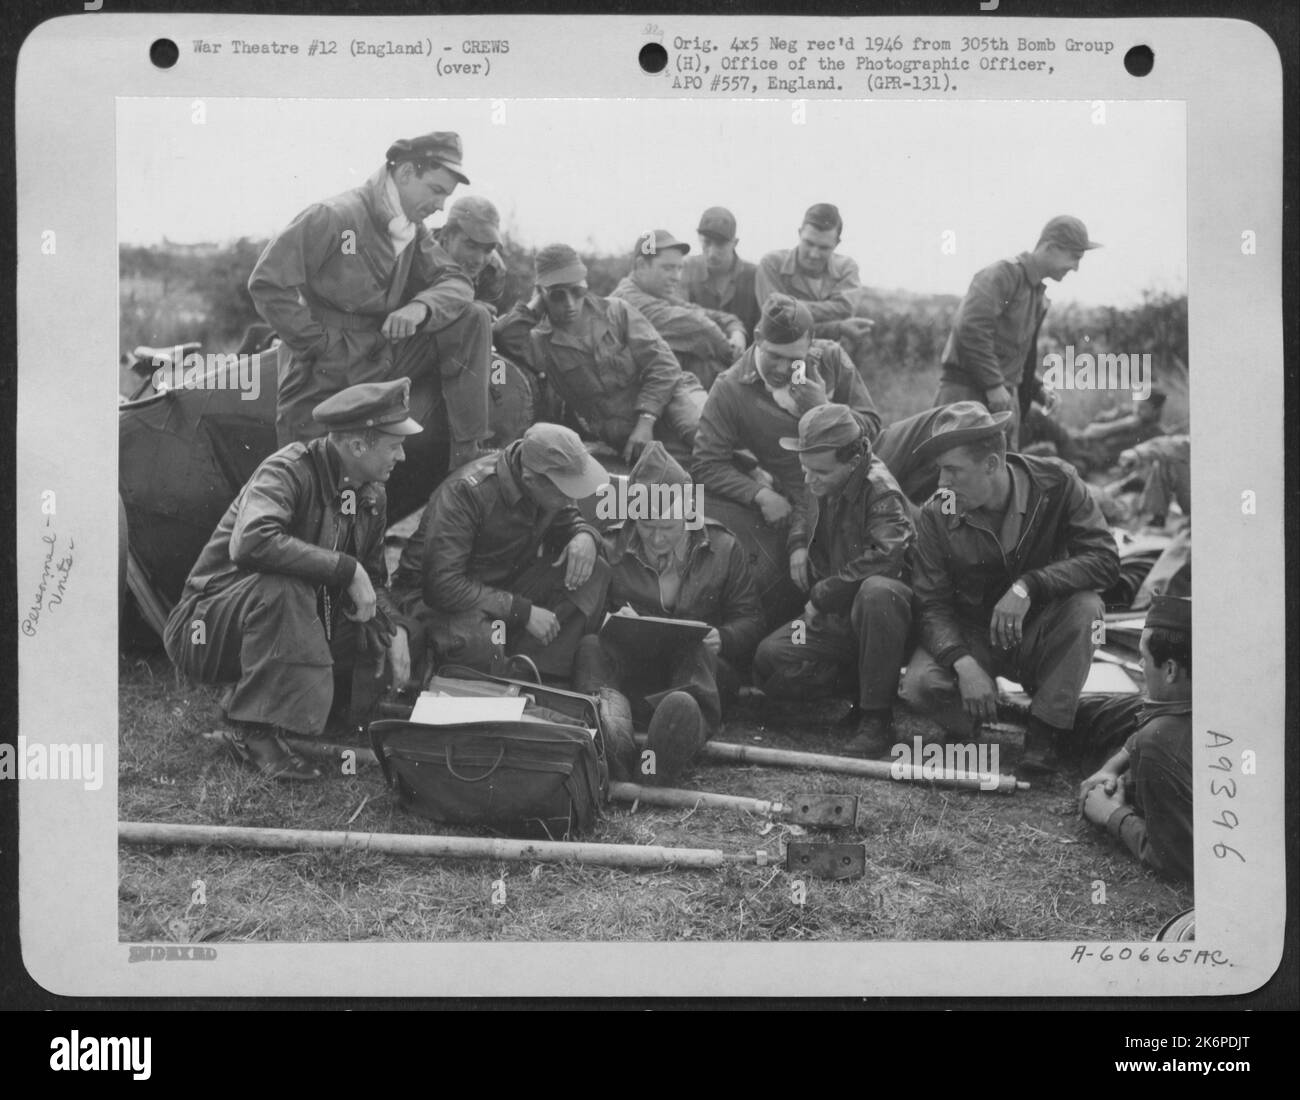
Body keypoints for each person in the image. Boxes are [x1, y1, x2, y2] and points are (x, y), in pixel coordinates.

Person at [163, 380, 422, 781]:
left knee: (391, 630)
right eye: (394, 446)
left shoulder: (372, 494)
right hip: (208, 626)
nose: (402, 457)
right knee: (283, 590)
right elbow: (252, 541)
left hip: (289, 620)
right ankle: (250, 728)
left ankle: (322, 710)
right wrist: (345, 568)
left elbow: (372, 580)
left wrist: (394, 626)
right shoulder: (288, 469)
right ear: (357, 446)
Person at [248, 131, 493, 511]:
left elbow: (457, 282)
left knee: (473, 317)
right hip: (327, 364)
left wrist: (421, 308)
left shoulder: (411, 230)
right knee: (314, 487)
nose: (440, 206)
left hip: (381, 353)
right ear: (408, 172)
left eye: (446, 196)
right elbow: (267, 283)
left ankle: (466, 453)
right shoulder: (335, 216)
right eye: (436, 190)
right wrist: (318, 345)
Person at [899, 402, 1120, 775]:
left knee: (1086, 608)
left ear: (991, 464)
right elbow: (931, 602)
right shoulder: (939, 511)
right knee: (919, 686)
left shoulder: (1057, 483)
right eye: (940, 471)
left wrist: (1030, 584)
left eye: (952, 471)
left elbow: (1105, 559)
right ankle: (973, 714)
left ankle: (1044, 731)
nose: (942, 484)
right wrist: (963, 664)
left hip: (1037, 632)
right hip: (972, 636)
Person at [572, 443, 763, 784]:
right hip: (632, 671)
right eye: (646, 526)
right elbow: (589, 615)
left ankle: (665, 752)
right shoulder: (612, 543)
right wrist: (613, 620)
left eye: (668, 528)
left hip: (696, 675)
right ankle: (613, 742)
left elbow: (751, 619)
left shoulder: (723, 547)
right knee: (590, 646)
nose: (657, 539)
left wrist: (726, 637)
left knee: (697, 653)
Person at [692, 292, 882, 622]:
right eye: (774, 356)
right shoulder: (731, 387)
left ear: (810, 344)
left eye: (794, 359)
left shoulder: (832, 358)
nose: (782, 368)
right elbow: (707, 462)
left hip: (862, 474)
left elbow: (873, 425)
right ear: (757, 338)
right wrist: (759, 493)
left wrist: (823, 406)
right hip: (804, 492)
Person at [389, 423, 612, 682]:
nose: (569, 499)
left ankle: (536, 675)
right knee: (482, 640)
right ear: (530, 480)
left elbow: (566, 517)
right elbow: (442, 586)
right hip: (433, 599)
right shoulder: (466, 492)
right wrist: (522, 611)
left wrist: (585, 534)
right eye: (564, 493)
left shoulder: (542, 482)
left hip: (499, 587)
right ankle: (486, 681)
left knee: (594, 570)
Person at [752, 405, 915, 755]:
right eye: (804, 470)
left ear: (853, 461)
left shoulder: (880, 491)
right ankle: (860, 684)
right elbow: (802, 503)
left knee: (877, 592)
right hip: (835, 615)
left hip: (879, 614)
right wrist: (798, 543)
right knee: (770, 658)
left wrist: (823, 594)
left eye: (819, 472)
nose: (809, 480)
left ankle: (876, 718)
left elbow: (888, 555)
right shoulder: (819, 471)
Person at [492, 244, 706, 463]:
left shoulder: (616, 311)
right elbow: (502, 334)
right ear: (542, 294)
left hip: (673, 399)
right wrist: (534, 305)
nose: (570, 304)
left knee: (706, 438)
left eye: (577, 291)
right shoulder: (541, 342)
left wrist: (646, 421)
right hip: (626, 431)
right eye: (558, 295)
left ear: (585, 284)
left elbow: (664, 367)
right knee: (694, 470)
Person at [934, 215, 1100, 450]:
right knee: (955, 473)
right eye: (1074, 257)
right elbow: (971, 329)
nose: (1076, 267)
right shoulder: (1003, 274)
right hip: (967, 394)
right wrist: (993, 385)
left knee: (998, 478)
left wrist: (1036, 388)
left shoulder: (1036, 294)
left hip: (999, 399)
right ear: (1051, 247)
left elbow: (1012, 355)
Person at [1077, 596, 1192, 884]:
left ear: (1170, 670)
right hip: (1150, 727)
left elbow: (1177, 860)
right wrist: (1112, 767)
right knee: (1099, 712)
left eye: (1143, 656)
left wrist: (1112, 814)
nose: (1140, 664)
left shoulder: (1158, 743)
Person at [611, 229, 748, 390]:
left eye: (679, 268)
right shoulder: (629, 300)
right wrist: (733, 355)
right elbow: (700, 327)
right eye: (668, 268)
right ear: (641, 265)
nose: (676, 277)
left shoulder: (655, 293)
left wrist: (736, 330)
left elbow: (709, 315)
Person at [755, 203, 874, 359]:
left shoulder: (847, 269)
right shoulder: (772, 264)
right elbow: (776, 320)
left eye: (824, 248)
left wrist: (791, 308)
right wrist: (838, 327)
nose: (814, 254)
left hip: (827, 359)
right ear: (799, 233)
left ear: (837, 243)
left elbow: (845, 308)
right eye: (809, 243)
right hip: (776, 359)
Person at [682, 207, 761, 339]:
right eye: (707, 242)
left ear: (735, 243)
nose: (712, 253)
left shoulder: (755, 276)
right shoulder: (686, 270)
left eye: (720, 244)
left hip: (745, 356)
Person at [432, 195, 508, 312]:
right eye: (471, 246)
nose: (479, 260)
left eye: (488, 250)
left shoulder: (493, 270)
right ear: (447, 235)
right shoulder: (419, 251)